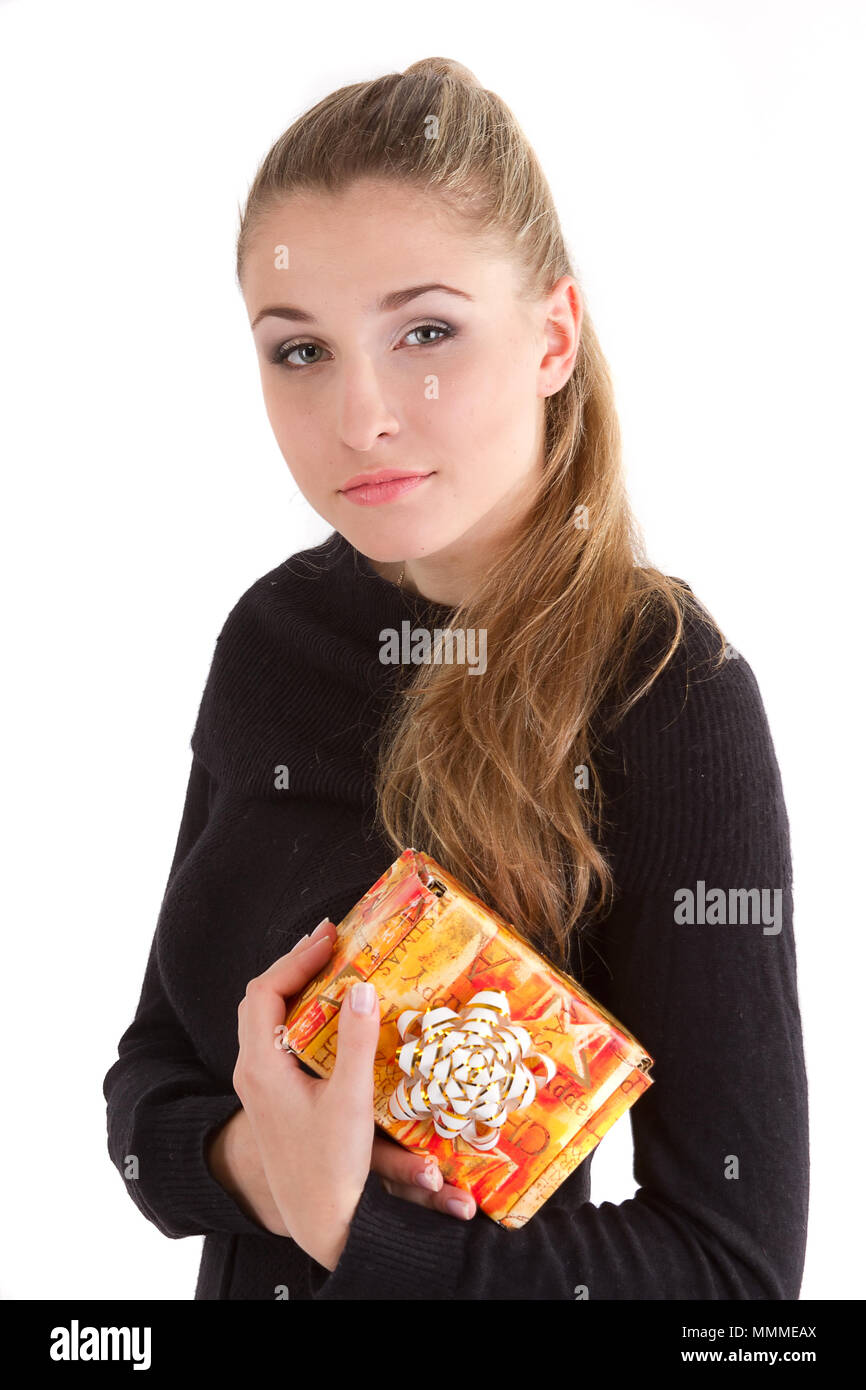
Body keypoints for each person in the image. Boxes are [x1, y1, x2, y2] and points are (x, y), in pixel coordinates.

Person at [102, 56, 809, 1300]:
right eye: (300, 350)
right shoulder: (270, 634)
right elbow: (149, 1080)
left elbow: (733, 1286)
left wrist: (355, 1230)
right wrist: (250, 1165)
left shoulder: (668, 693)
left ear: (551, 335)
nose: (359, 414)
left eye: (424, 331)